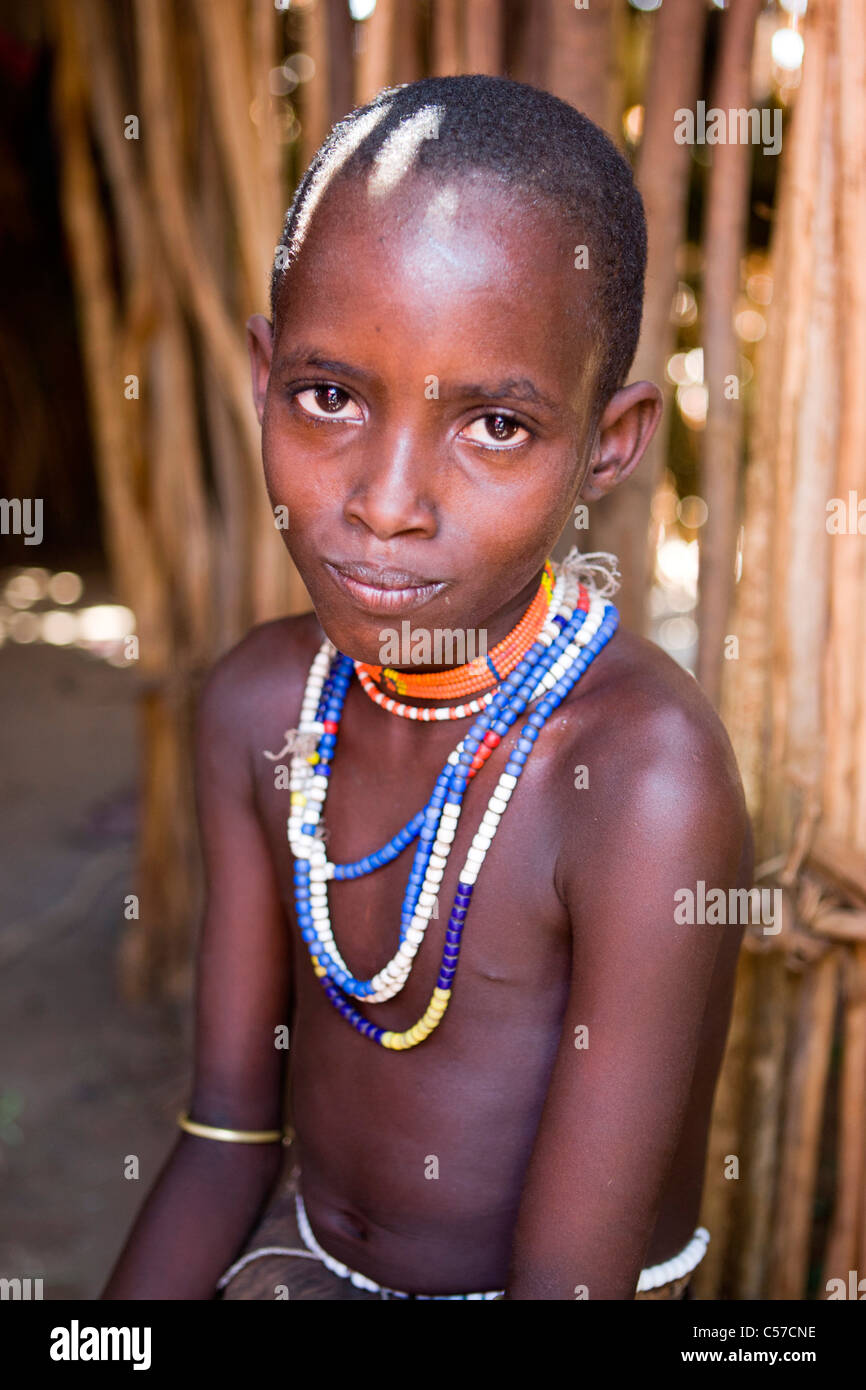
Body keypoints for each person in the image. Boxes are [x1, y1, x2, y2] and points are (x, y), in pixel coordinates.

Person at [102, 74, 752, 1302]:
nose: (386, 503)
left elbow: (569, 1281)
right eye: (330, 396)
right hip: (302, 1260)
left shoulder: (639, 783)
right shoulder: (260, 708)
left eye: (495, 425)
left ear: (605, 447)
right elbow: (229, 1135)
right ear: (262, 376)